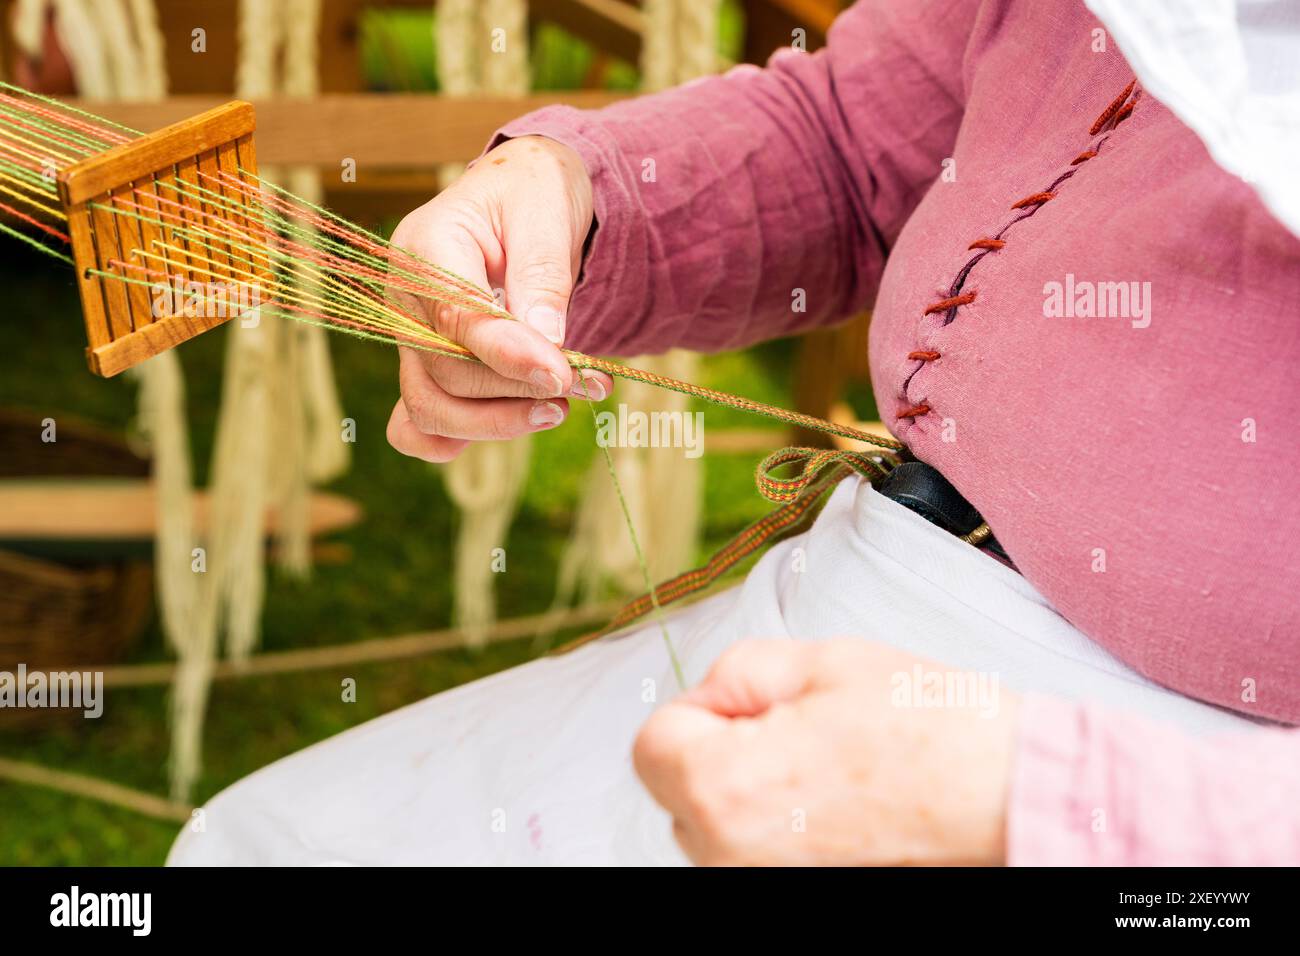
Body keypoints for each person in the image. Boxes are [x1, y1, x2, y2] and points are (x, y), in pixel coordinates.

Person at [169, 0, 1300, 866]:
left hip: (1180, 807)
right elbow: (858, 142)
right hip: (858, 612)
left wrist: (1038, 800)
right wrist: (571, 201)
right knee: (271, 843)